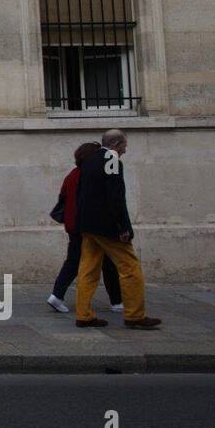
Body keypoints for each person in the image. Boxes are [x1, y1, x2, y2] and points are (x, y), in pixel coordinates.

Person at [74, 129, 162, 329]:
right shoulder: (112, 161)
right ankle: (135, 315)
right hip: (107, 226)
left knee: (88, 269)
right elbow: (115, 196)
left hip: (88, 224)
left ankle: (84, 314)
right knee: (130, 268)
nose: (125, 151)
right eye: (124, 146)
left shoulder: (89, 160)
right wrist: (124, 227)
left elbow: (82, 193)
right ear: (116, 144)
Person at [47, 141, 122, 313]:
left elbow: (63, 199)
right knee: (108, 262)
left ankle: (57, 295)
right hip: (91, 225)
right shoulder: (90, 175)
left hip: (73, 225)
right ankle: (116, 301)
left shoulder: (72, 175)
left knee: (73, 261)